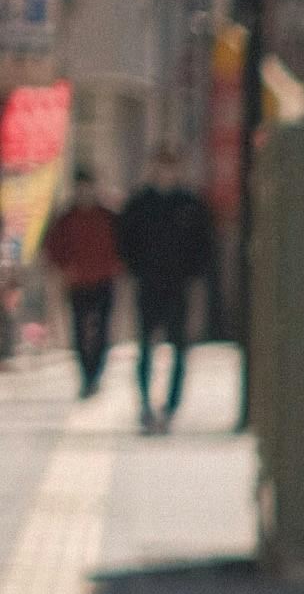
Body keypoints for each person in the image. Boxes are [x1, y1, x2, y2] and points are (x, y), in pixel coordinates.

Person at [115, 145, 215, 432]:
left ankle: (170, 407)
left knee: (179, 346)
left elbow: (204, 244)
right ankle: (146, 406)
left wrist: (194, 274)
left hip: (180, 284)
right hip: (148, 282)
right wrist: (136, 269)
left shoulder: (190, 204)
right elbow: (125, 240)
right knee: (146, 344)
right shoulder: (141, 203)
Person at [39, 171, 119, 402]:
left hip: (104, 280)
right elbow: (53, 247)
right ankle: (87, 376)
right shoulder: (67, 219)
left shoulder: (107, 216)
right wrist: (65, 267)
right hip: (77, 282)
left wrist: (114, 266)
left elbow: (121, 245)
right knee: (80, 331)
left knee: (102, 331)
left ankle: (96, 373)